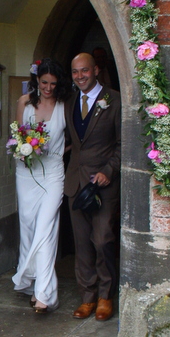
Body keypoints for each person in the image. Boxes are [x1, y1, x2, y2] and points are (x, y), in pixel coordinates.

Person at [64, 52, 121, 322]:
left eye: (84, 71)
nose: (80, 77)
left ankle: (105, 296)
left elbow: (124, 143)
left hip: (103, 186)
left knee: (102, 240)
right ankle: (87, 297)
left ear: (96, 70)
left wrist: (109, 171)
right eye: (75, 72)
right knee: (82, 244)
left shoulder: (114, 100)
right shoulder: (70, 102)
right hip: (76, 182)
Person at [12, 58, 71, 313]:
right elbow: (15, 136)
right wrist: (27, 148)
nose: (48, 88)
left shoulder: (64, 105)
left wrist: (57, 152)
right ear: (37, 80)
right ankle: (30, 283)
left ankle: (45, 294)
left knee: (46, 228)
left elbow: (76, 138)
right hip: (26, 172)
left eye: (53, 84)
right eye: (44, 82)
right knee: (28, 228)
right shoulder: (25, 104)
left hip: (53, 173)